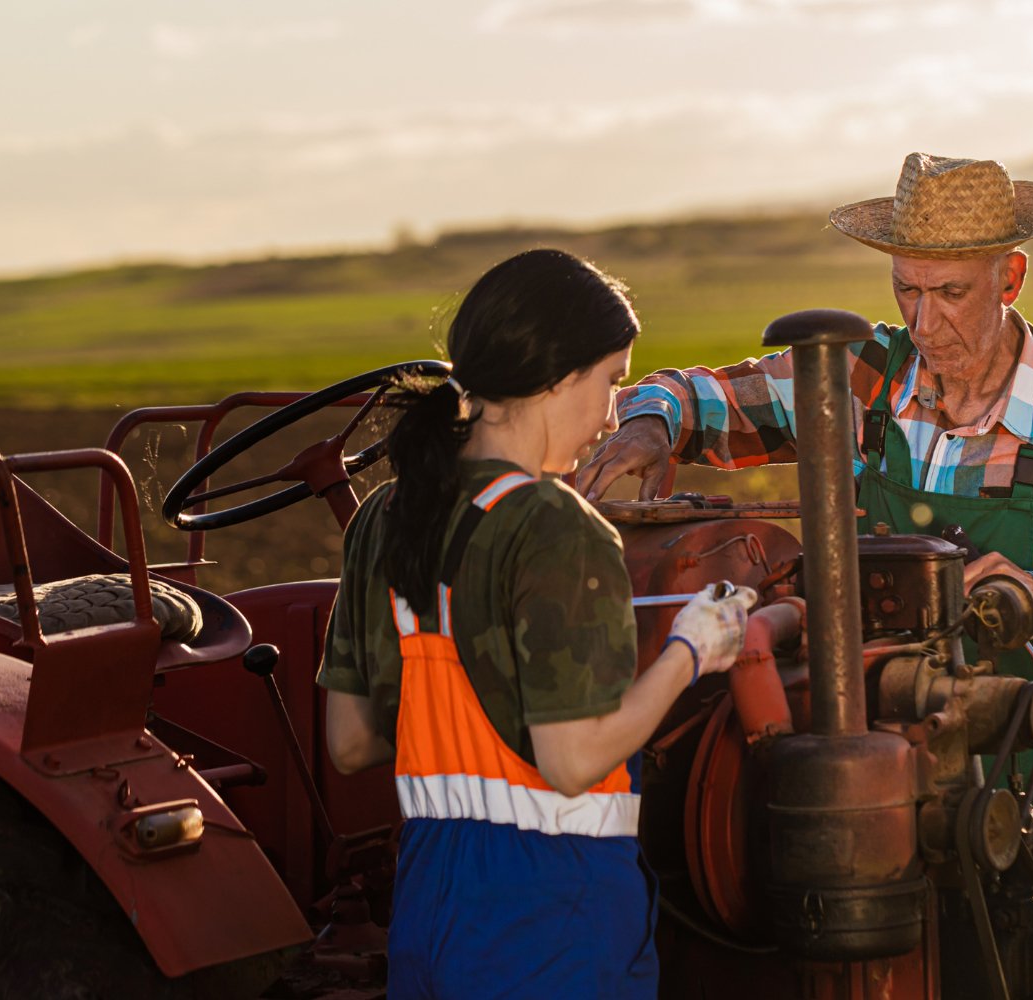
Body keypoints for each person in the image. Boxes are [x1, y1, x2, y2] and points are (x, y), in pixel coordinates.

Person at [580, 154, 1033, 882]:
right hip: (871, 792)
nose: (924, 322)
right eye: (907, 289)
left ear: (1010, 279)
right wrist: (654, 421)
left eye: (950, 292)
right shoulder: (860, 372)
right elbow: (700, 397)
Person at [316, 249, 756, 999]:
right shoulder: (555, 525)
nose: (611, 417)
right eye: (611, 381)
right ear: (556, 376)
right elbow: (573, 760)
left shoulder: (386, 515)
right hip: (552, 922)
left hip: (429, 910)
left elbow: (351, 742)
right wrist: (693, 648)